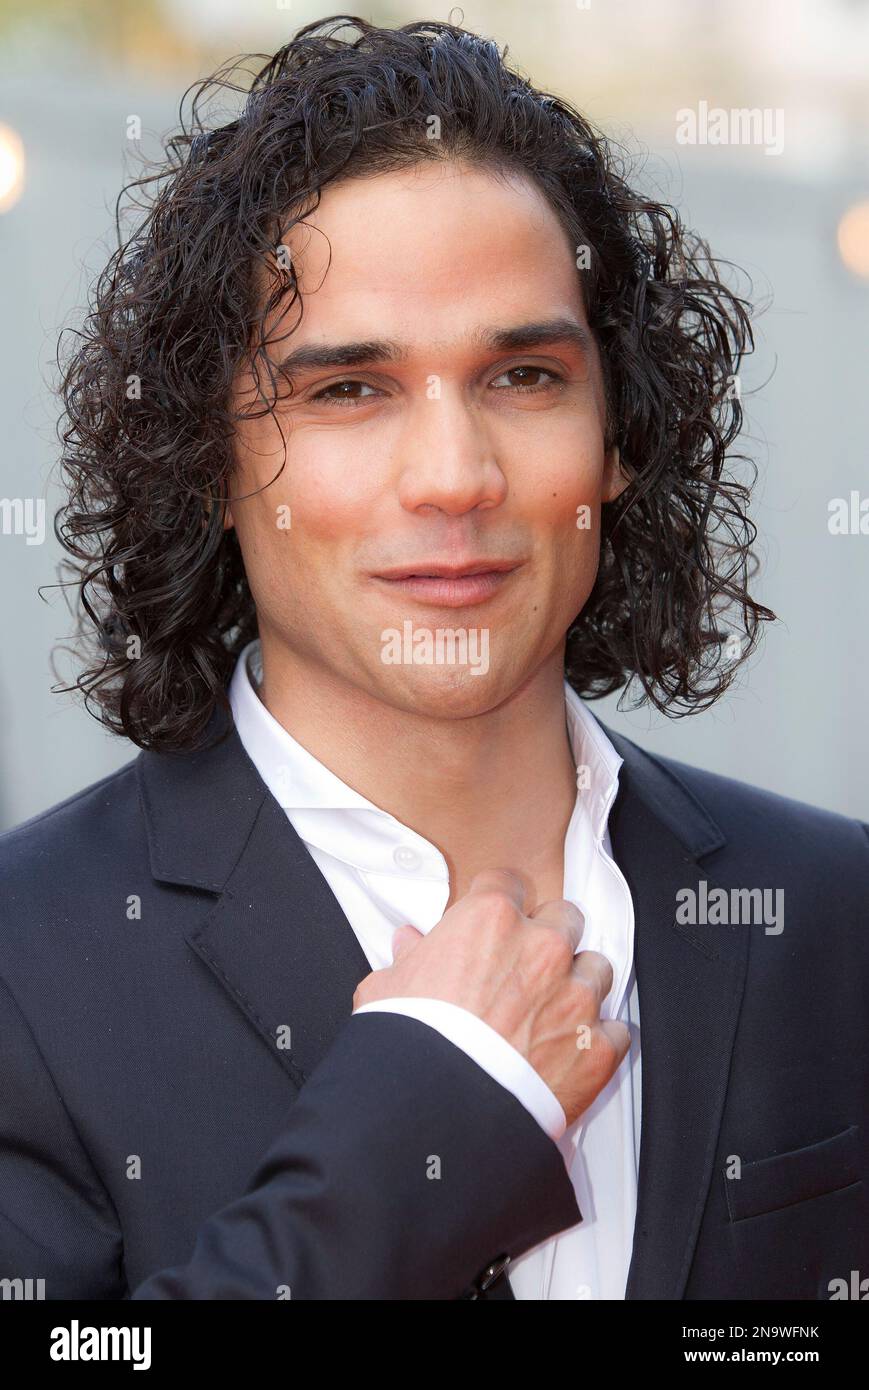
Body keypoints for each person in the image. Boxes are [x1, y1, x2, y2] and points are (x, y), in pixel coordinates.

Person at [1, 15, 866, 1301]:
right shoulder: (25, 964)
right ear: (206, 463)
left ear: (617, 436)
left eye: (522, 375)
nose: (456, 477)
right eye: (349, 389)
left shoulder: (833, 912)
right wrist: (438, 1110)